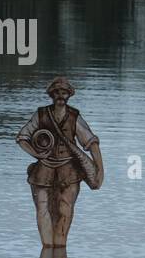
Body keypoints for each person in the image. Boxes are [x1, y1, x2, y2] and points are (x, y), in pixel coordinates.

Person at [15, 77, 103, 248]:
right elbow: (22, 137)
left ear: (69, 95)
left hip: (69, 171)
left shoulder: (74, 117)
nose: (60, 95)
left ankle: (60, 248)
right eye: (57, 92)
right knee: (42, 210)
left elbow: (91, 142)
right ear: (52, 94)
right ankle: (48, 250)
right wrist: (37, 154)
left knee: (65, 210)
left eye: (64, 92)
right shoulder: (40, 114)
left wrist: (100, 169)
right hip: (42, 171)